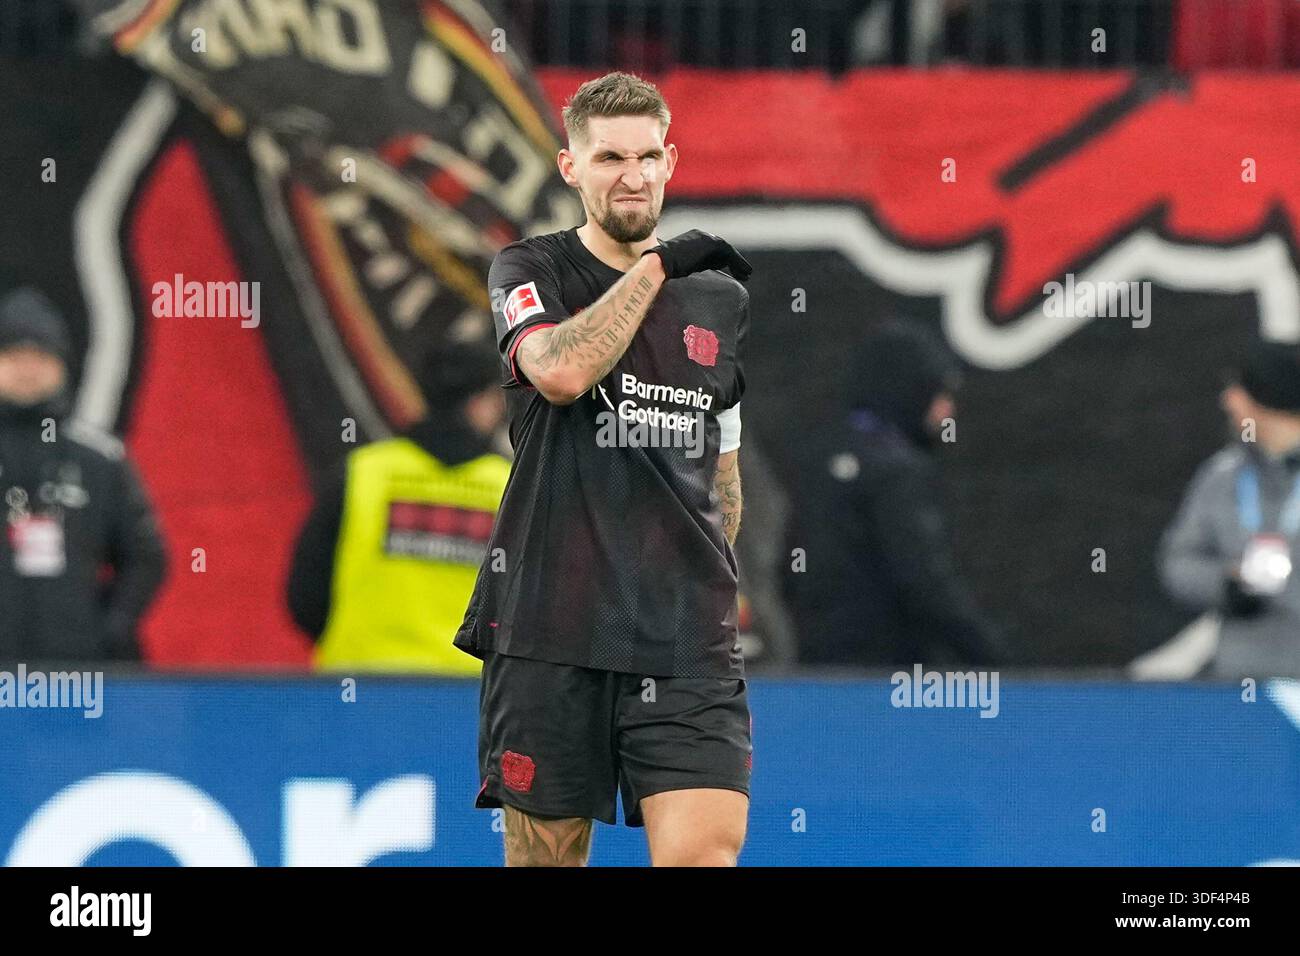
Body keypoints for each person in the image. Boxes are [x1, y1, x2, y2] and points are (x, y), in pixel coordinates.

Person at [453, 72, 753, 866]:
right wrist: (653, 270)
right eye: (611, 157)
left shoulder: (718, 301)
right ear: (569, 168)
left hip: (684, 638)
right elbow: (557, 371)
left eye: (649, 156)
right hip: (553, 625)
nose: (634, 175)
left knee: (704, 859)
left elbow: (720, 465)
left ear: (671, 160)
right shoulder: (528, 269)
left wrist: (712, 578)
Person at [785, 321, 1006, 668]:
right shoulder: (897, 471)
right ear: (912, 389)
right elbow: (924, 581)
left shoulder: (816, 457)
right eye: (941, 394)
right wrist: (996, 658)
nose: (947, 411)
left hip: (818, 671)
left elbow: (787, 570)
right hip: (887, 680)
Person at [287, 338, 509, 674]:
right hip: (471, 699)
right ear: (484, 402)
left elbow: (304, 596)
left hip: (361, 692)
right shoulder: (513, 488)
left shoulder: (362, 473)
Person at [0, 286, 166, 662]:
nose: (28, 368)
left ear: (62, 366)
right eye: (13, 355)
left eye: (41, 355)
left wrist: (110, 626)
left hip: (80, 674)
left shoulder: (98, 460)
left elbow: (146, 556)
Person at [1159, 337, 1300, 679]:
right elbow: (1177, 563)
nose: (1227, 401)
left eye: (1238, 389)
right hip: (1242, 682)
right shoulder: (1222, 475)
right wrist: (1227, 583)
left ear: (1268, 396)